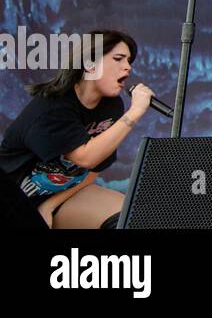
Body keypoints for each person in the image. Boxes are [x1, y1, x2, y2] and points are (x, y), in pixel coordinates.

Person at [0, 29, 155, 228]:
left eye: (129, 61)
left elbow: (93, 167)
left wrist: (49, 206)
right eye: (118, 59)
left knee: (128, 220)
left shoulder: (111, 106)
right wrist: (135, 113)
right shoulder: (52, 108)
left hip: (58, 196)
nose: (127, 67)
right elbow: (86, 157)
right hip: (13, 200)